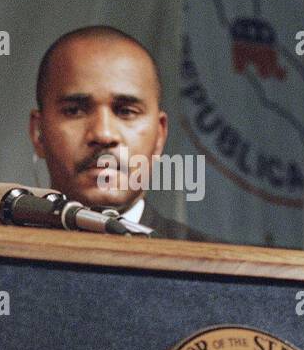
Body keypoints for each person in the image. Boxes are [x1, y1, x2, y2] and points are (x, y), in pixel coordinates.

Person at [30, 25, 210, 241]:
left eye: (126, 112)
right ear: (39, 133)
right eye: (75, 111)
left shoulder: (219, 268)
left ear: (159, 136)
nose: (104, 134)